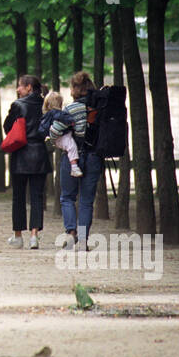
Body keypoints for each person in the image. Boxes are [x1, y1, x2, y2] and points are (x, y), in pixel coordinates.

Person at [56, 71, 103, 249]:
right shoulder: (99, 110)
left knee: (67, 197)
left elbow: (58, 129)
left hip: (72, 157)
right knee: (86, 200)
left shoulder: (71, 109)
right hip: (93, 157)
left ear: (76, 89)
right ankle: (83, 240)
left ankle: (70, 234)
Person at [3, 75, 49, 248]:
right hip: (40, 155)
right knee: (37, 196)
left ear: (29, 87)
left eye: (20, 86)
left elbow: (7, 127)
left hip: (21, 155)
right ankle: (34, 236)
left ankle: (18, 236)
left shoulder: (18, 105)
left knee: (19, 197)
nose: (17, 89)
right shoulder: (44, 104)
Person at [40, 90, 84, 177]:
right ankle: (74, 167)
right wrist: (71, 122)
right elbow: (66, 119)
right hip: (61, 137)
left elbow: (42, 128)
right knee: (72, 146)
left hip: (57, 138)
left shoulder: (46, 115)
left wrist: (46, 133)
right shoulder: (58, 113)